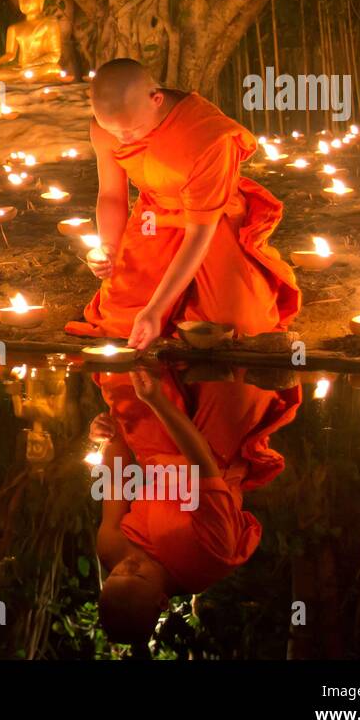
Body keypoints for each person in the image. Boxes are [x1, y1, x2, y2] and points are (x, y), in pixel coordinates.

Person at [67, 59, 300, 350]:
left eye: (133, 130)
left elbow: (199, 233)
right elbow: (111, 194)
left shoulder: (207, 137)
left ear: (156, 99)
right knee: (121, 321)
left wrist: (156, 309)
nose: (123, 138)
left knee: (234, 323)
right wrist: (110, 248)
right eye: (112, 131)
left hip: (212, 219)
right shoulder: (107, 128)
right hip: (154, 217)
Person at [93, 365, 299, 646]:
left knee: (123, 369)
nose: (127, 563)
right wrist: (157, 401)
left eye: (116, 573)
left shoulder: (111, 550)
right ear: (162, 601)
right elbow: (203, 463)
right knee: (228, 363)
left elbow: (117, 479)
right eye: (138, 575)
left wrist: (108, 435)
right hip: (214, 451)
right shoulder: (207, 558)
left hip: (157, 450)